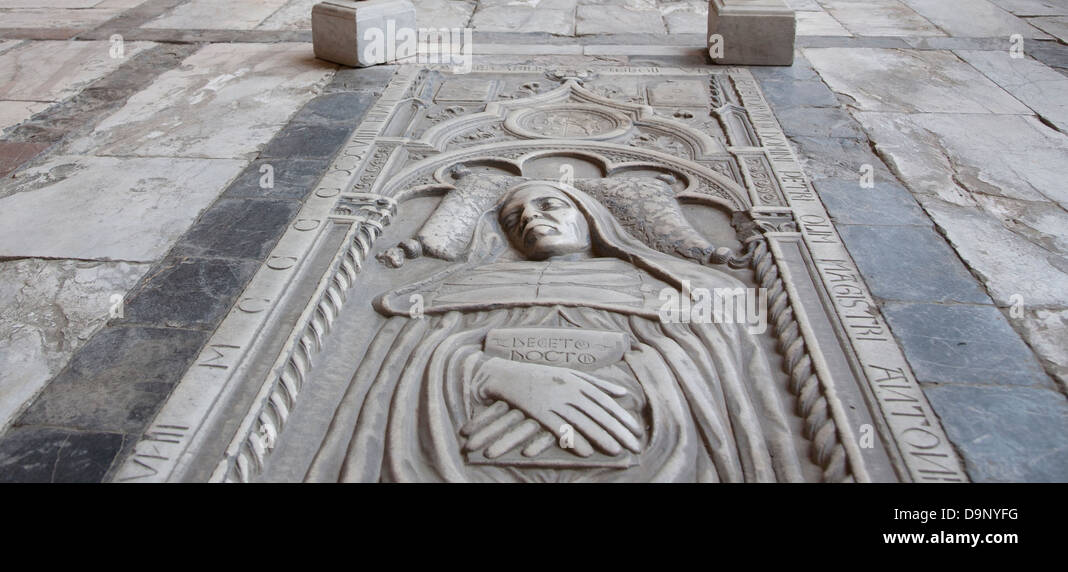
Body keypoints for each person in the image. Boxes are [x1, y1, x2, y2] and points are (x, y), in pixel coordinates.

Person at [308, 175, 808, 482]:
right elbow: (394, 375)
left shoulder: (668, 286)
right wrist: (490, 377)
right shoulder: (452, 289)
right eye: (512, 216)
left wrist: (624, 386)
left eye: (549, 205)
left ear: (592, 219)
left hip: (638, 440)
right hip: (465, 444)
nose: (529, 218)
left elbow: (724, 371)